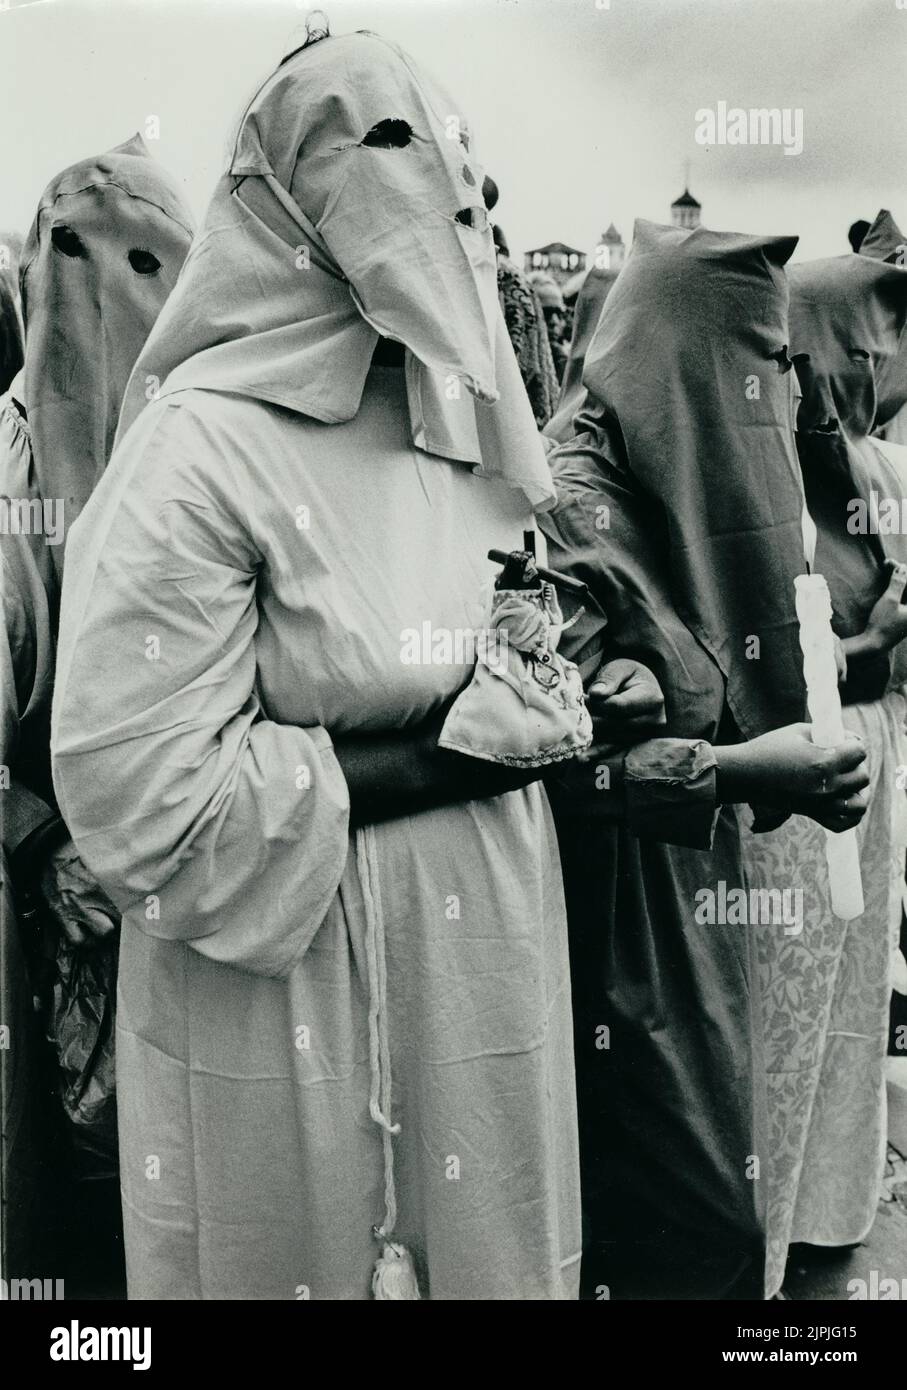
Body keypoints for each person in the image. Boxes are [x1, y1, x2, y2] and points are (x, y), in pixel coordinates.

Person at [50, 30, 591, 1301]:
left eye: (448, 154)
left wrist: (554, 688)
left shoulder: (456, 424)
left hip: (484, 960)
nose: (447, 194)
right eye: (383, 149)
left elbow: (506, 629)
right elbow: (141, 795)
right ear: (282, 197)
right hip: (280, 991)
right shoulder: (198, 452)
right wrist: (439, 753)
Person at [539, 218, 869, 1299]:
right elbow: (531, 774)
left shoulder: (659, 467)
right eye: (757, 363)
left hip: (686, 918)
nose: (772, 392)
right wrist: (734, 772)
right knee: (683, 1219)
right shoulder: (564, 508)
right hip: (594, 941)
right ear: (683, 354)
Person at [0, 134, 193, 1287]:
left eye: (144, 267)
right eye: (66, 257)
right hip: (38, 913)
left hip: (191, 896)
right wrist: (40, 839)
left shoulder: (203, 468)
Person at [740, 249, 907, 1296]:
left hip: (863, 755)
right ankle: (762, 1222)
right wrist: (866, 641)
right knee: (780, 1006)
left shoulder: (876, 472)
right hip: (790, 777)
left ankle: (826, 1203)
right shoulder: (750, 473)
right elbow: (737, 655)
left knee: (846, 984)